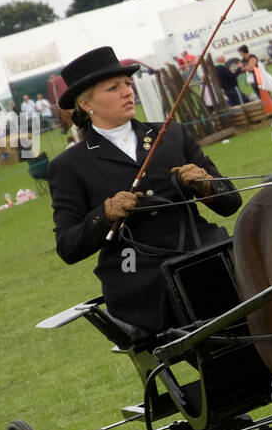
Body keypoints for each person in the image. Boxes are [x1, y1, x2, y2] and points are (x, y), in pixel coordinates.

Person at [48, 46, 242, 337]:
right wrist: (104, 214)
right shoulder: (70, 164)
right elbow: (68, 246)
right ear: (87, 104)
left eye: (127, 84)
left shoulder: (172, 134)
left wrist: (207, 186)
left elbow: (231, 203)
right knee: (198, 284)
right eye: (114, 88)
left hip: (204, 247)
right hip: (139, 274)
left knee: (254, 262)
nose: (128, 92)